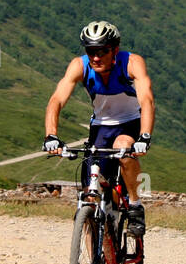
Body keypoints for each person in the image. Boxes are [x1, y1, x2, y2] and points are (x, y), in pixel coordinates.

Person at [44, 20, 153, 236]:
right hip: (100, 128)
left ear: (115, 50)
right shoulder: (80, 65)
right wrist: (51, 136)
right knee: (90, 196)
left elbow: (147, 99)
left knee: (124, 148)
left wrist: (144, 136)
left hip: (130, 122)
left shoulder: (131, 62)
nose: (96, 57)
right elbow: (56, 100)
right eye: (91, 51)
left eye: (102, 51)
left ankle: (135, 205)